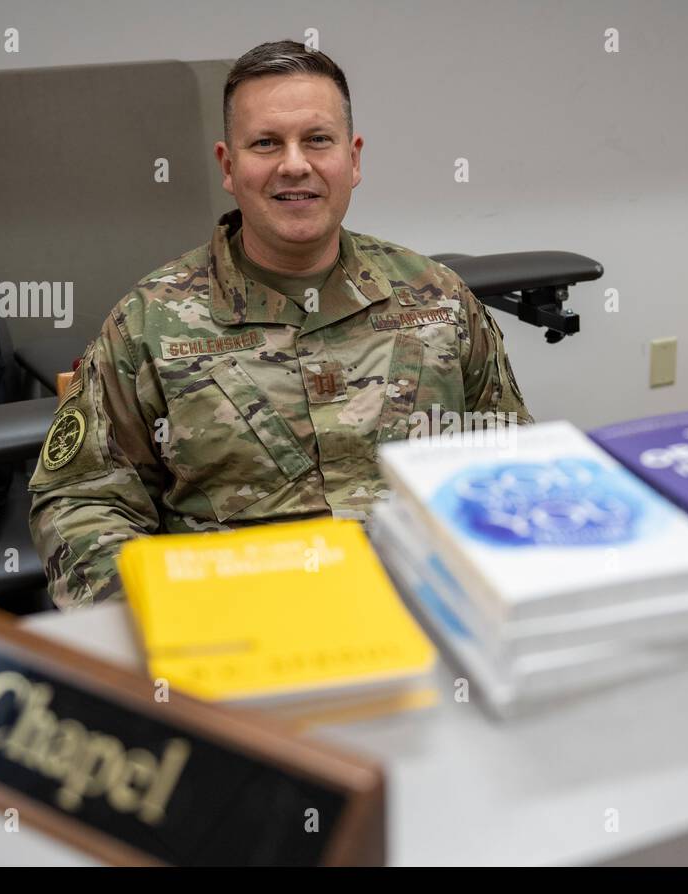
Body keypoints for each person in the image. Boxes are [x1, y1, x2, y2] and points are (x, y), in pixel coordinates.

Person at [28, 39, 533, 609]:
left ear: (354, 158)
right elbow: (83, 502)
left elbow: (508, 460)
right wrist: (157, 620)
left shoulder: (438, 299)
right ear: (228, 165)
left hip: (429, 614)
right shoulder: (150, 323)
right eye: (266, 143)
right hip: (241, 632)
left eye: (318, 139)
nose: (295, 164)